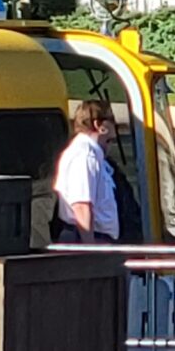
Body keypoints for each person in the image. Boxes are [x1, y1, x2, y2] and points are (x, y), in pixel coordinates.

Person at [53, 100, 120, 244]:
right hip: (87, 238)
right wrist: (91, 250)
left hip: (90, 237)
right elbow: (81, 205)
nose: (115, 125)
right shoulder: (85, 155)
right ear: (98, 125)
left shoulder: (92, 154)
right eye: (111, 119)